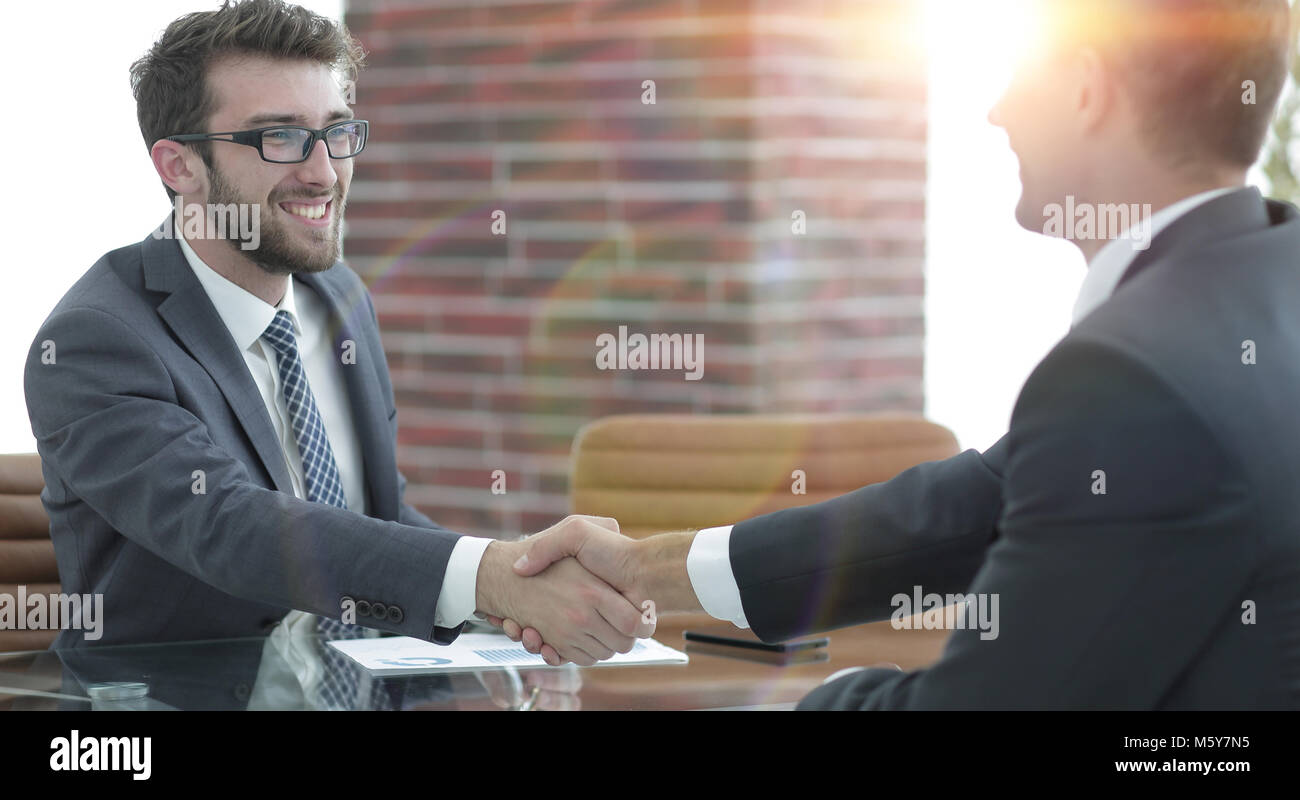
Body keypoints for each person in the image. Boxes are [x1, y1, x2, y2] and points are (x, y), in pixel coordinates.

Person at [500, 0, 1300, 708]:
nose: (997, 111)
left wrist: (802, 702)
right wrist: (651, 568)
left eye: (1020, 71)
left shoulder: (1135, 380)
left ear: (1088, 92)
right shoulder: (1268, 277)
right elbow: (964, 511)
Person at [23, 0, 651, 668]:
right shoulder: (97, 341)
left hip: (362, 685)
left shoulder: (338, 299)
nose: (324, 173)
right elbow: (232, 529)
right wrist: (488, 573)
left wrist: (516, 589)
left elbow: (371, 517)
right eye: (281, 138)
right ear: (179, 166)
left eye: (336, 132)